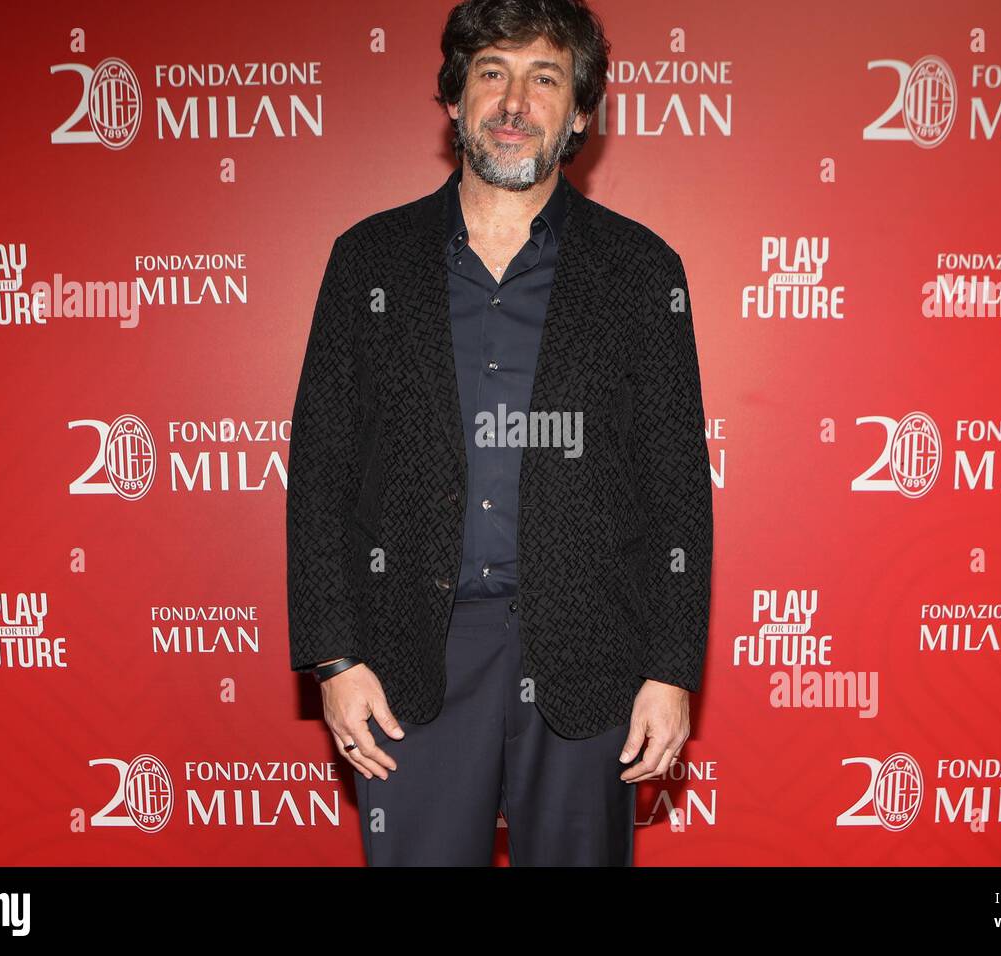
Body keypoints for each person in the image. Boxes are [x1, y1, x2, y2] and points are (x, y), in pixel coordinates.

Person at [286, 0, 712, 866]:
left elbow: (678, 490)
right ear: (455, 100)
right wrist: (334, 659)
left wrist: (671, 672)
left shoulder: (641, 272)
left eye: (544, 78)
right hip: (411, 658)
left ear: (580, 113)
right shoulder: (368, 259)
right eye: (492, 73)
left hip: (592, 655)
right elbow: (321, 471)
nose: (514, 101)